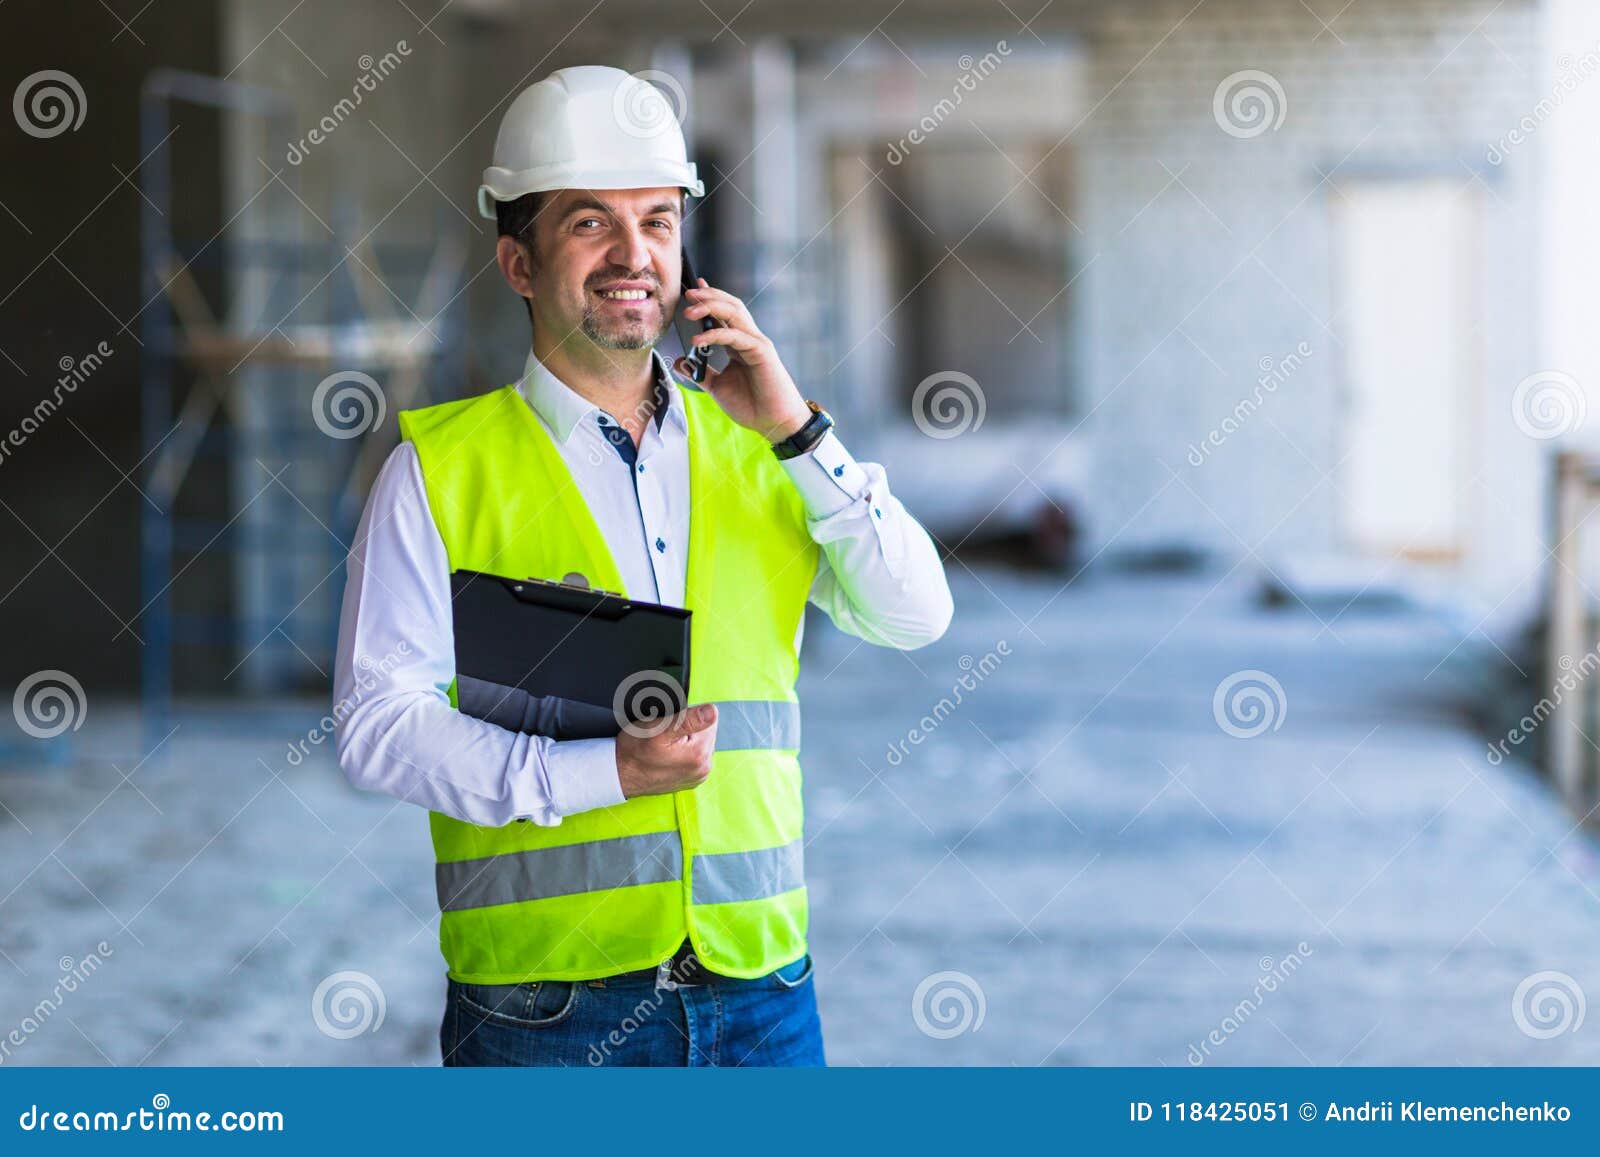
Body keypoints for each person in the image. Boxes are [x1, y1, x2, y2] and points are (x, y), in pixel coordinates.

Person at [332, 65, 952, 1067]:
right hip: (543, 1012)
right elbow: (375, 729)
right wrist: (599, 772)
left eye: (658, 221)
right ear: (518, 262)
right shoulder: (439, 470)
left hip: (762, 993)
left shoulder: (769, 445)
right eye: (588, 223)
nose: (634, 254)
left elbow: (915, 612)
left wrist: (798, 429)